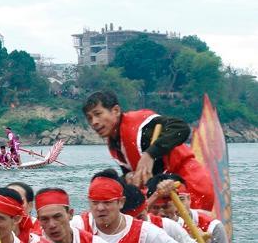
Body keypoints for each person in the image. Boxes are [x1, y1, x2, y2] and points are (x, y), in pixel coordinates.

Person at [83, 90, 215, 211]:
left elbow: (181, 128)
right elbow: (138, 179)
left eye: (98, 114)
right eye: (89, 118)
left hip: (191, 186)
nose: (94, 122)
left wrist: (150, 154)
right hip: (165, 193)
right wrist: (127, 177)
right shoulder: (115, 142)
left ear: (116, 111)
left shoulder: (142, 126)